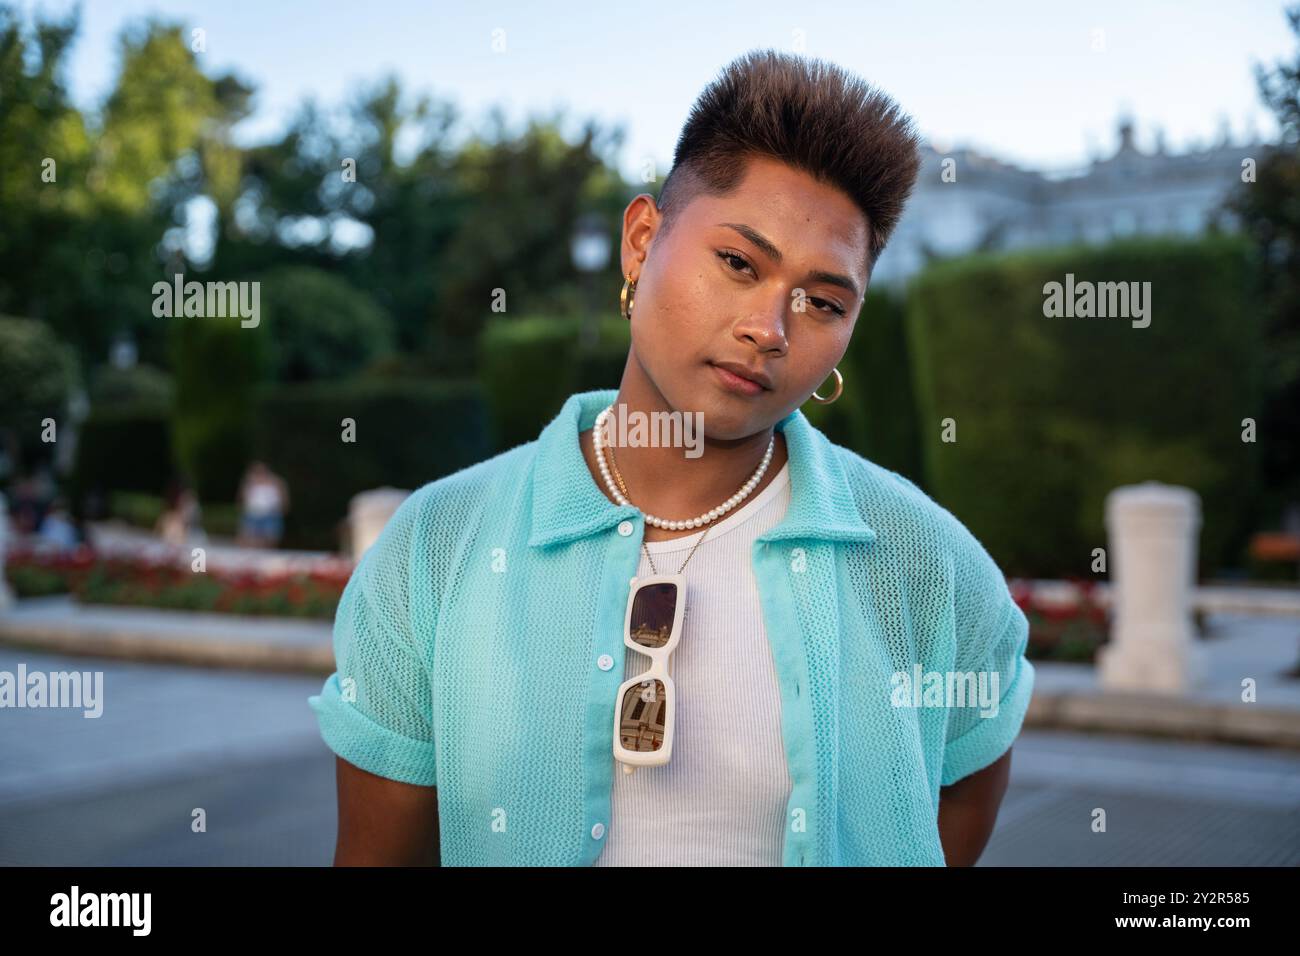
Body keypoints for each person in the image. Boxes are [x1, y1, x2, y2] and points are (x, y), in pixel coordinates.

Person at [309, 50, 1034, 867]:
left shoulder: (927, 563)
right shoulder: (437, 547)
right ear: (642, 241)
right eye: (737, 263)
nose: (771, 327)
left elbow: (961, 796)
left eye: (823, 302)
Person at [237, 461, 289, 548]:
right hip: (253, 513)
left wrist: (284, 507)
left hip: (271, 513)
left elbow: (283, 495)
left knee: (271, 538)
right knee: (250, 537)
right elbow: (242, 497)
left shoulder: (275, 481)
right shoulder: (249, 482)